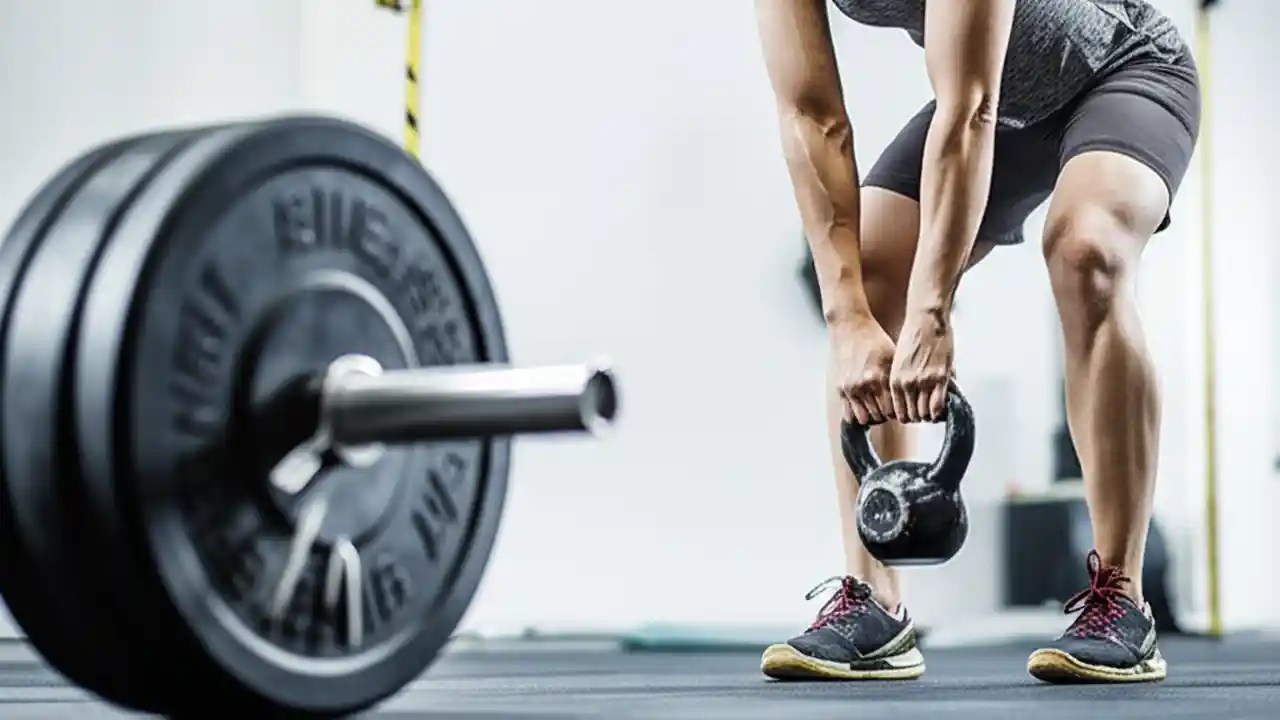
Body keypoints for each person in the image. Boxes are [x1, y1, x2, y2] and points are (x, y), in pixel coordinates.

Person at [753, 0, 1200, 683]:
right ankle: (874, 602)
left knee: (1085, 252)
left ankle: (1123, 600)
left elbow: (969, 110)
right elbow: (810, 115)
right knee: (867, 277)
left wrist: (933, 312)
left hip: (1122, 71)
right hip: (1008, 104)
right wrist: (849, 321)